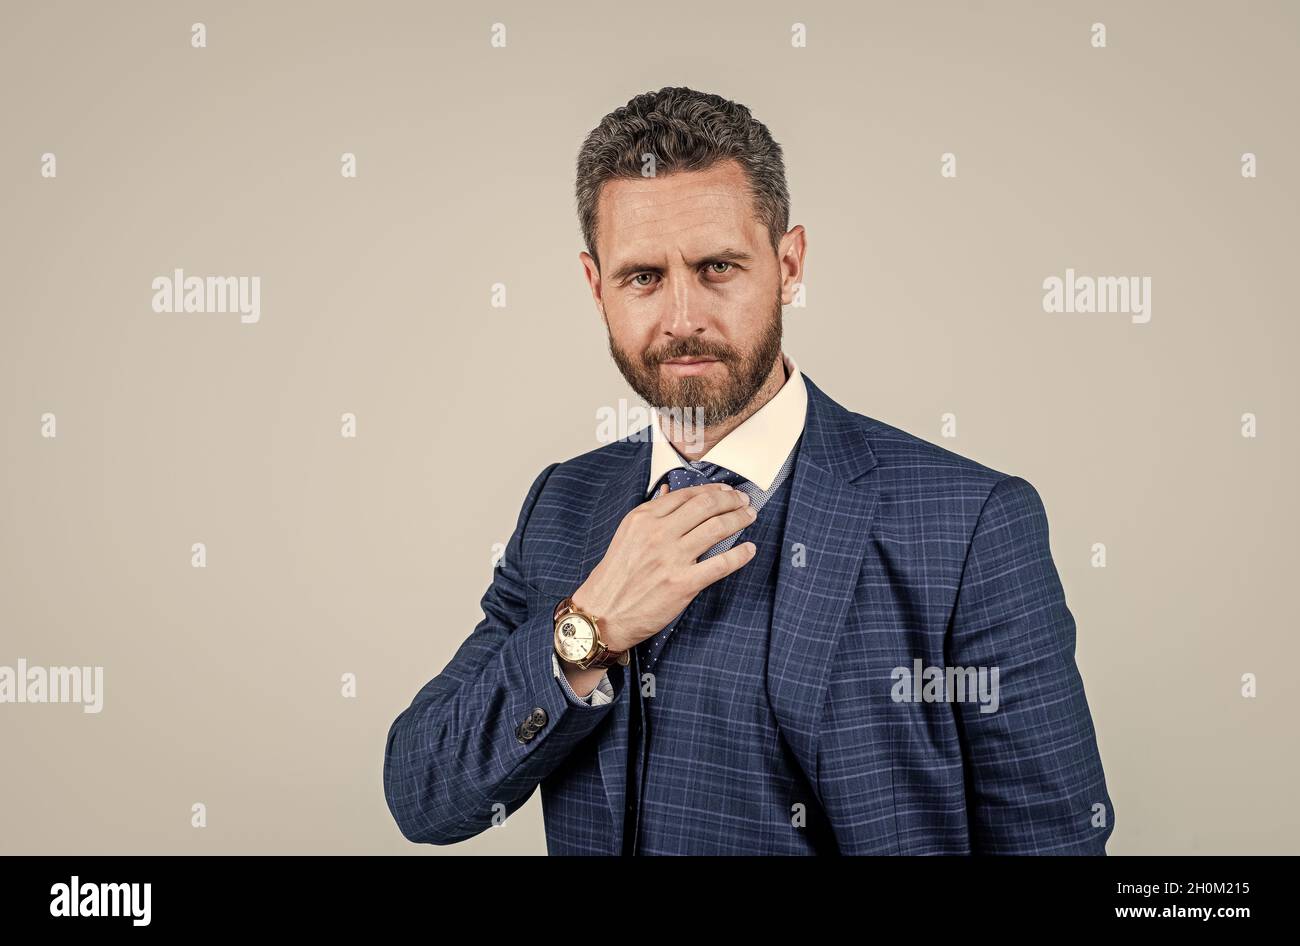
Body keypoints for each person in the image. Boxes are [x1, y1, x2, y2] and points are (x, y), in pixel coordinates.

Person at [383, 86, 1114, 855]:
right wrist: (588, 631)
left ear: (788, 263)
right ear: (597, 288)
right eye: (643, 278)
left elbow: (1054, 841)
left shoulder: (969, 524)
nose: (683, 317)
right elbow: (424, 794)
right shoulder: (563, 505)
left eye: (718, 266)